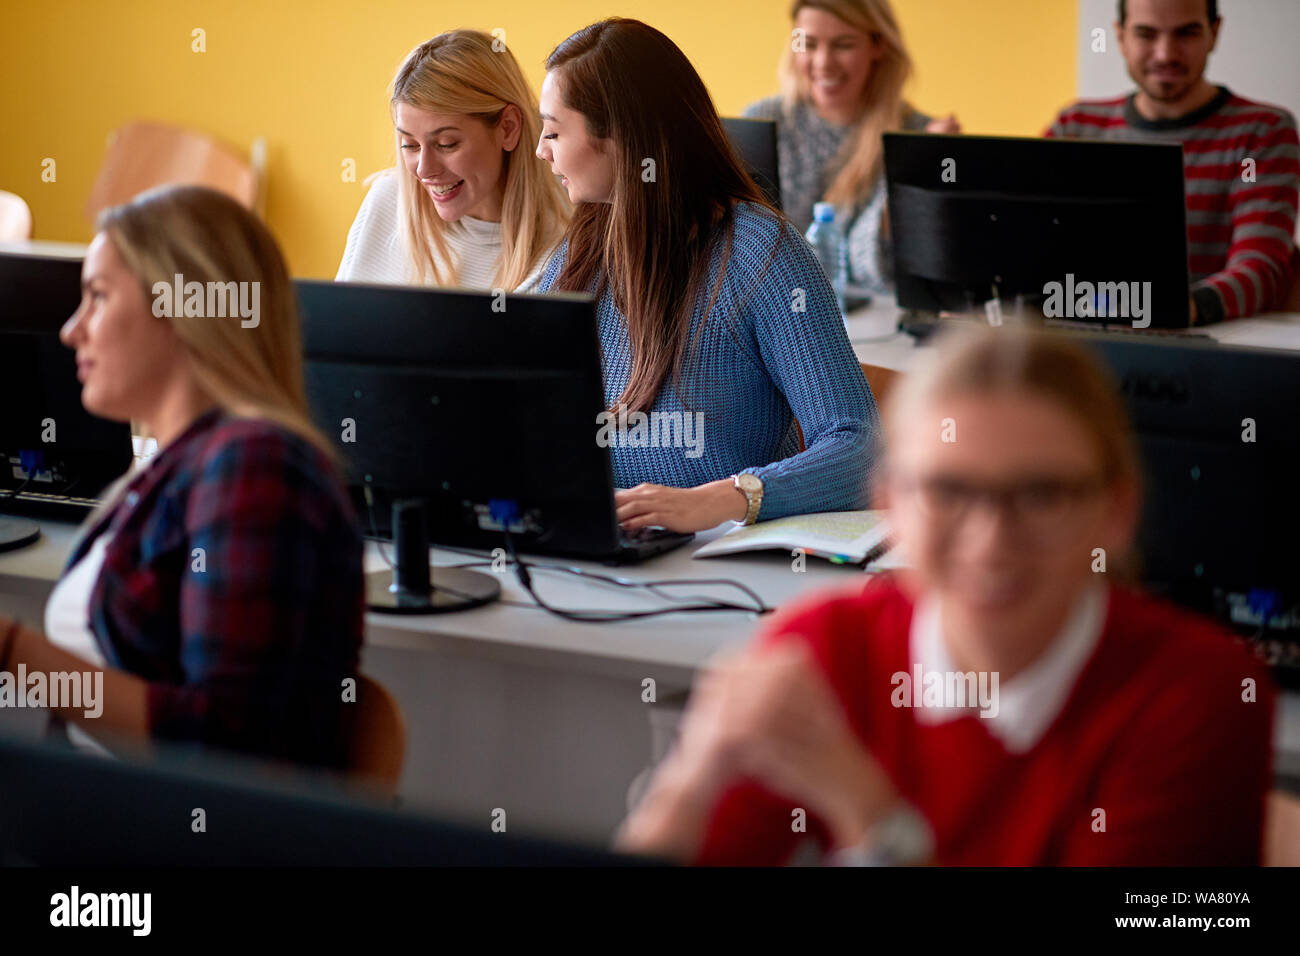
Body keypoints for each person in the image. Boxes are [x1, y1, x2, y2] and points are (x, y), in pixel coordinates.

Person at [619, 325, 1274, 865]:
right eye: (949, 492)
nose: (990, 539)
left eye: (1041, 495)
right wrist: (689, 783)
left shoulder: (1201, 693)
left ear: (1116, 511)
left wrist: (876, 825)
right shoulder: (824, 651)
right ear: (889, 505)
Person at [0, 185, 364, 769]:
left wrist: (12, 651)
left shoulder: (257, 465)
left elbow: (226, 743)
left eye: (98, 297)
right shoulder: (176, 468)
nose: (73, 330)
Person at [536, 18, 879, 533]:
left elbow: (859, 450)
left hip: (720, 564)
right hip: (598, 553)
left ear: (621, 138)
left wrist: (724, 499)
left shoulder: (761, 254)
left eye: (556, 131)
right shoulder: (578, 254)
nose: (542, 149)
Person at [1046, 0, 1299, 324]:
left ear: (1214, 33)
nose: (1165, 54)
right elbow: (1029, 243)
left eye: (1187, 33)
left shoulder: (1260, 132)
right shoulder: (1076, 126)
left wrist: (1176, 310)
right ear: (1121, 37)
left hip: (1202, 342)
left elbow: (1260, 267)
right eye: (1146, 34)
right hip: (1084, 332)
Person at [743, 0, 960, 293]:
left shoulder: (917, 135)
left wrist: (912, 171)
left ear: (878, 46)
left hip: (879, 327)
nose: (823, 63)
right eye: (807, 44)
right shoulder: (762, 122)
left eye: (843, 45)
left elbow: (873, 269)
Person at [338, 30, 569, 291]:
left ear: (508, 127)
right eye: (409, 145)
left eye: (447, 144)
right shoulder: (385, 203)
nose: (425, 169)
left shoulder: (564, 247)